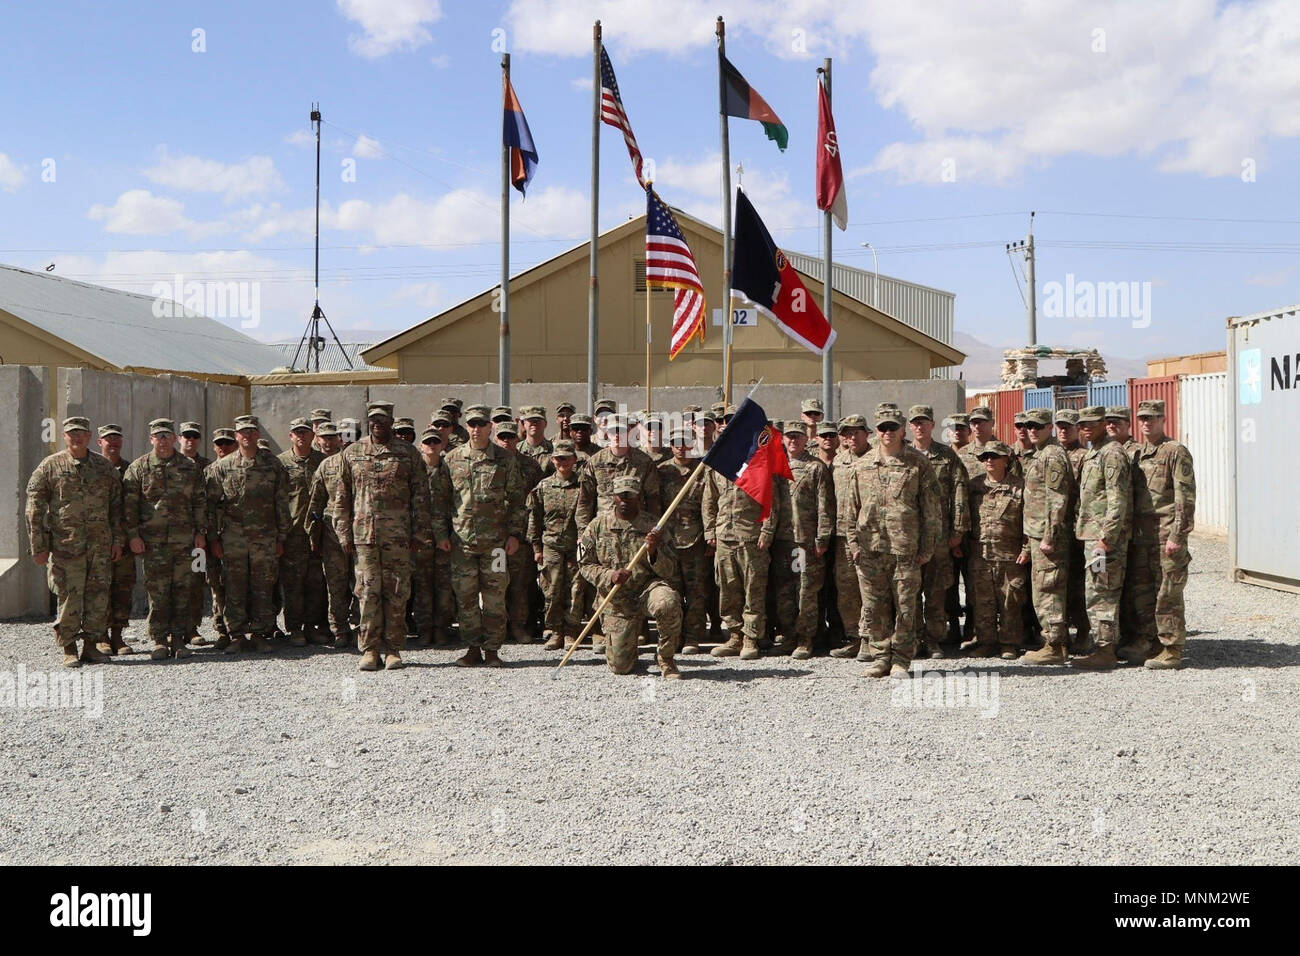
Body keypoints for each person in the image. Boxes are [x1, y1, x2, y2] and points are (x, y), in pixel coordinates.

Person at [333, 402, 431, 671]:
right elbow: (342, 498)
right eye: (373, 419)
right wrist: (343, 533)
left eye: (382, 420)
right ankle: (369, 649)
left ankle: (393, 649)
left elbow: (421, 497)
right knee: (367, 593)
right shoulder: (352, 453)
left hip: (398, 537)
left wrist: (419, 533)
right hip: (364, 537)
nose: (377, 424)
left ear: (391, 422)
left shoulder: (408, 454)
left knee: (397, 592)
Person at [849, 404, 943, 678]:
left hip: (905, 549)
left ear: (903, 430)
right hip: (870, 549)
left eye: (893, 427)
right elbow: (849, 510)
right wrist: (853, 546)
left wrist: (927, 548)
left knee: (905, 607)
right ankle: (880, 657)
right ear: (876, 431)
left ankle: (901, 659)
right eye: (883, 428)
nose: (887, 432)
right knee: (874, 606)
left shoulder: (918, 463)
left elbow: (931, 510)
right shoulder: (862, 465)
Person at [26, 417, 124, 668]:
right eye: (72, 433)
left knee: (97, 596)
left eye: (81, 433)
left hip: (100, 546)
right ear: (65, 436)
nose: (77, 437)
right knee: (69, 596)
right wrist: (39, 546)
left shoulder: (103, 467)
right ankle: (68, 647)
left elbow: (116, 507)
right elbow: (34, 508)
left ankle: (91, 646)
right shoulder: (50, 466)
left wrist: (117, 540)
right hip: (66, 546)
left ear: (90, 436)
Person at [441, 404, 526, 667]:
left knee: (494, 598)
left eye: (481, 424)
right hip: (461, 543)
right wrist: (440, 533)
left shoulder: (504, 459)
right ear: (466, 427)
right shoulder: (452, 459)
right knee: (465, 598)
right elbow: (441, 501)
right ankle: (472, 648)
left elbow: (518, 500)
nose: (476, 429)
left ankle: (492, 650)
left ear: (491, 427)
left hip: (496, 545)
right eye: (472, 424)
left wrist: (515, 534)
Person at [577, 476, 683, 678]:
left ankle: (665, 657)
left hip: (647, 588)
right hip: (616, 599)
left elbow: (670, 569)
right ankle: (629, 646)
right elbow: (584, 565)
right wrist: (609, 575)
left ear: (639, 497)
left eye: (630, 496)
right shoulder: (597, 526)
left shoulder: (654, 526)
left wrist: (653, 552)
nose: (625, 501)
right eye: (621, 496)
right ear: (613, 497)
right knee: (621, 667)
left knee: (667, 603)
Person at [121, 419, 207, 661]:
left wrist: (201, 532)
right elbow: (129, 507)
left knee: (182, 590)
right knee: (157, 593)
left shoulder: (189, 467)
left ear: (174, 438)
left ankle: (179, 639)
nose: (163, 440)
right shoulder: (139, 468)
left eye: (167, 436)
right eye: (158, 436)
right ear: (151, 439)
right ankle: (159, 640)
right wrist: (133, 536)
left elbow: (199, 502)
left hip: (184, 541)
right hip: (153, 543)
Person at [206, 415, 289, 655]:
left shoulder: (272, 464)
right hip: (233, 537)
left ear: (258, 434)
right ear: (236, 436)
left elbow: (282, 502)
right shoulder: (223, 466)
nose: (247, 436)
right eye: (243, 432)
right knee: (234, 586)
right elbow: (211, 504)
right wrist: (213, 538)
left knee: (263, 585)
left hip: (265, 537)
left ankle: (260, 633)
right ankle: (237, 634)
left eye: (252, 431)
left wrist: (281, 537)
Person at [1129, 399, 1196, 670]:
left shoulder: (1175, 451)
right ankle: (1153, 642)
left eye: (1152, 418)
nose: (1147, 422)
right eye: (1143, 418)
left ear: (1162, 419)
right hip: (1143, 534)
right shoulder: (1137, 453)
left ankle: (1172, 648)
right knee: (1144, 591)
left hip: (1166, 531)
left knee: (1168, 591)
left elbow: (1185, 496)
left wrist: (1178, 536)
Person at [703, 429, 778, 661]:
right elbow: (709, 500)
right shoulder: (717, 466)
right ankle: (734, 635)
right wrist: (710, 530)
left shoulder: (759, 465)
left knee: (753, 589)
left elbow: (772, 501)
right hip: (725, 537)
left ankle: (751, 638)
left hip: (751, 537)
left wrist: (767, 530)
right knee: (727, 589)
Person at [1070, 406, 1133, 671]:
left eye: (1091, 424)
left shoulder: (1111, 453)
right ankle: (1103, 646)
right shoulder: (1094, 453)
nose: (1085, 428)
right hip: (1092, 535)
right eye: (1082, 424)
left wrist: (1106, 539)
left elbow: (1118, 499)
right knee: (1096, 590)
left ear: (1103, 424)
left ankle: (1106, 650)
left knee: (1102, 592)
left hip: (1103, 540)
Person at [907, 405, 970, 659]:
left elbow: (959, 492)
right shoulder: (903, 455)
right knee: (909, 592)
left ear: (932, 425)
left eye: (924, 422)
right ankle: (912, 638)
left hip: (940, 536)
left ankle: (933, 640)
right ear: (910, 426)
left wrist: (958, 530)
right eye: (915, 423)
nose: (920, 426)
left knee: (936, 591)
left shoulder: (946, 455)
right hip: (909, 536)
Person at [1018, 408, 1077, 664]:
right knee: (1043, 588)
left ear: (1049, 427)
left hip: (1048, 537)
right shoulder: (1041, 453)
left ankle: (1054, 645)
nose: (1032, 429)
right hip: (1037, 534)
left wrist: (1049, 537)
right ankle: (1055, 642)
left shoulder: (1051, 455)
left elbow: (1057, 499)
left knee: (1048, 589)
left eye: (1038, 426)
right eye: (1029, 425)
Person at [770, 421, 832, 659]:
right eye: (789, 437)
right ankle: (788, 636)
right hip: (782, 540)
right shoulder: (777, 466)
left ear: (806, 439)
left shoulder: (815, 468)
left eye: (798, 436)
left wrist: (822, 537)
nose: (793, 441)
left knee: (805, 591)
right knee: (784, 591)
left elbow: (824, 505)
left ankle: (805, 639)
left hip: (805, 541)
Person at [963, 441, 1029, 660]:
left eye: (994, 456)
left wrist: (1027, 548)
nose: (989, 461)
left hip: (1010, 554)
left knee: (1010, 601)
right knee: (982, 602)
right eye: (985, 457)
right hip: (980, 554)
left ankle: (1009, 643)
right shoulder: (974, 487)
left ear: (1005, 460)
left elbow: (1030, 520)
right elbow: (964, 518)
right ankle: (986, 642)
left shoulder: (1020, 487)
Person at [657, 428, 710, 654]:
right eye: (676, 443)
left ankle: (692, 637)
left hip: (695, 539)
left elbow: (711, 503)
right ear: (670, 446)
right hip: (669, 541)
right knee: (672, 590)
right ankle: (674, 635)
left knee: (697, 590)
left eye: (685, 442)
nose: (681, 447)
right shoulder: (662, 470)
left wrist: (709, 535)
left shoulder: (703, 470)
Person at [527, 440, 583, 650]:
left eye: (567, 458)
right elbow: (535, 518)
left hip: (575, 545)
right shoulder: (543, 487)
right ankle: (555, 631)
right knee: (552, 589)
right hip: (550, 545)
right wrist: (536, 549)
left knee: (575, 590)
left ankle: (571, 631)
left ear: (574, 460)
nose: (563, 462)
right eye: (559, 458)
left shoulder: (583, 485)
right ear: (552, 460)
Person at [278, 418, 328, 647]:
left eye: (305, 432)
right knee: (293, 582)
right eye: (297, 432)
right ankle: (295, 628)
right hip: (294, 532)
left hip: (318, 531)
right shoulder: (281, 463)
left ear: (312, 435)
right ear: (291, 436)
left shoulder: (323, 462)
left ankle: (312, 625)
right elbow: (277, 500)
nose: (301, 436)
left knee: (316, 582)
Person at [305, 422, 354, 650]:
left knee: (362, 584)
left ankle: (364, 628)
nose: (330, 441)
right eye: (324, 437)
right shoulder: (325, 466)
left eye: (333, 437)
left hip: (358, 533)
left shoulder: (355, 461)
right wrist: (313, 535)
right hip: (332, 535)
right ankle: (340, 631)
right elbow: (315, 503)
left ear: (340, 439)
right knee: (336, 585)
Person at [495, 419, 544, 643]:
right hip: (493, 536)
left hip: (521, 535)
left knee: (520, 584)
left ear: (518, 438)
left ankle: (518, 626)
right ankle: (498, 628)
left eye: (510, 437)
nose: (506, 441)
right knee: (496, 582)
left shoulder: (530, 465)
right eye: (502, 437)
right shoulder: (489, 463)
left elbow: (538, 500)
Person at [829, 415, 872, 660]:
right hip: (842, 536)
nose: (852, 437)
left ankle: (870, 639)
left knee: (869, 589)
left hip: (867, 536)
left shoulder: (876, 460)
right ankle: (854, 637)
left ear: (866, 434)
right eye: (848, 433)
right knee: (846, 590)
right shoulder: (838, 462)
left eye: (857, 432)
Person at [409, 427, 456, 648]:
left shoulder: (449, 471)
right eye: (427, 442)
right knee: (423, 586)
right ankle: (424, 629)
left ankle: (441, 629)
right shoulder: (414, 471)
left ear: (442, 445)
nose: (432, 446)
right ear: (421, 446)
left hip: (445, 536)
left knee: (444, 587)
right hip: (421, 537)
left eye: (436, 442)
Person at [97, 423, 136, 655]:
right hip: (98, 540)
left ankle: (117, 636)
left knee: (123, 588)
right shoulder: (95, 468)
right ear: (99, 442)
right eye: (108, 439)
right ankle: (100, 636)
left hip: (125, 541)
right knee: (100, 589)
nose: (113, 442)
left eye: (117, 438)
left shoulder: (130, 469)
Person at [1055, 407, 1090, 651]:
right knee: (1057, 584)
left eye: (1068, 426)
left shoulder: (1085, 456)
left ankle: (1084, 633)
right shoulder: (1051, 454)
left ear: (1078, 429)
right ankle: (1059, 636)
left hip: (1078, 530)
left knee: (1079, 585)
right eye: (1060, 426)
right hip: (1058, 529)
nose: (1063, 430)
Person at [205, 428, 238, 649]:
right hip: (215, 537)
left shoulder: (238, 469)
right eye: (219, 443)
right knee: (217, 585)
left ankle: (238, 629)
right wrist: (211, 538)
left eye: (227, 443)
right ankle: (221, 630)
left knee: (236, 585)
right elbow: (206, 508)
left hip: (235, 537)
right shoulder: (208, 472)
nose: (223, 447)